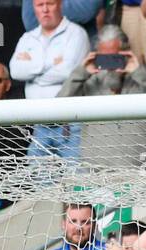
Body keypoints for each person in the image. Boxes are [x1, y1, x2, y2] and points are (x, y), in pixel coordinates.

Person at [58, 24, 146, 168]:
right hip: (96, 172)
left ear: (126, 53)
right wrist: (82, 72)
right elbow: (58, 106)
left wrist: (138, 71)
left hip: (142, 171)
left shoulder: (143, 79)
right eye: (104, 59)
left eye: (114, 58)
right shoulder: (90, 82)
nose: (111, 66)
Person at [10, 0, 90, 161]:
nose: (45, 10)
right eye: (40, 5)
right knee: (40, 181)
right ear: (34, 8)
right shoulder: (28, 37)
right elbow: (16, 71)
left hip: (70, 124)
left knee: (74, 180)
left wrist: (32, 70)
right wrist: (51, 63)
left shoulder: (76, 34)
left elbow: (68, 72)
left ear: (60, 5)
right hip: (39, 125)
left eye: (50, 4)